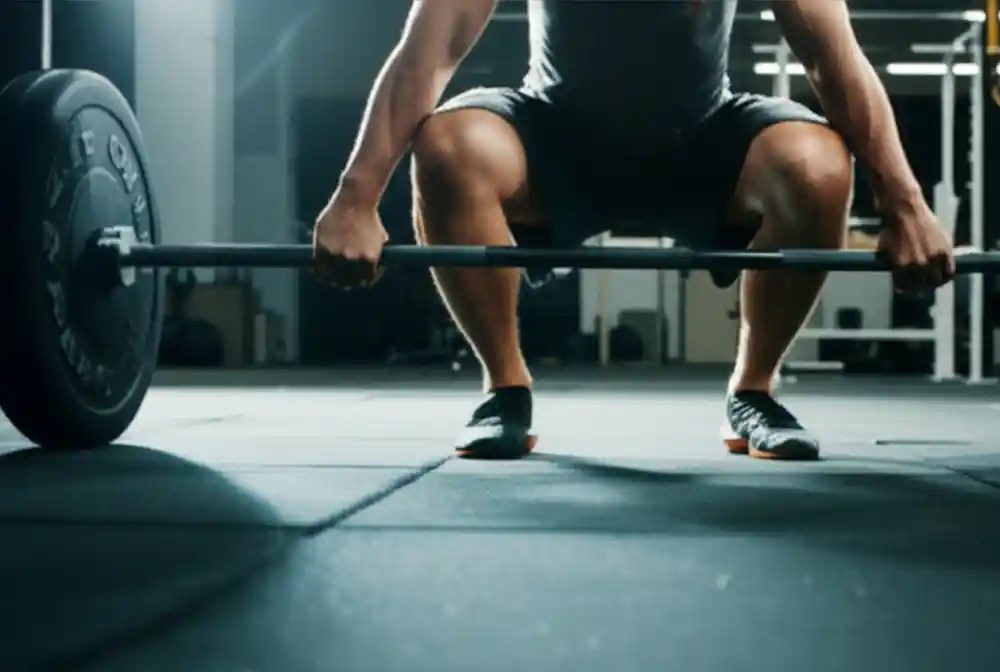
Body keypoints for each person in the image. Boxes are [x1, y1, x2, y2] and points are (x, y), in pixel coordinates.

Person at [312, 0, 955, 461]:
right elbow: (430, 52)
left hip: (702, 143)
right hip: (555, 139)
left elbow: (832, 58)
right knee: (451, 144)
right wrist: (355, 196)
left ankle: (754, 391)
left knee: (817, 165)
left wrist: (904, 204)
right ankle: (505, 389)